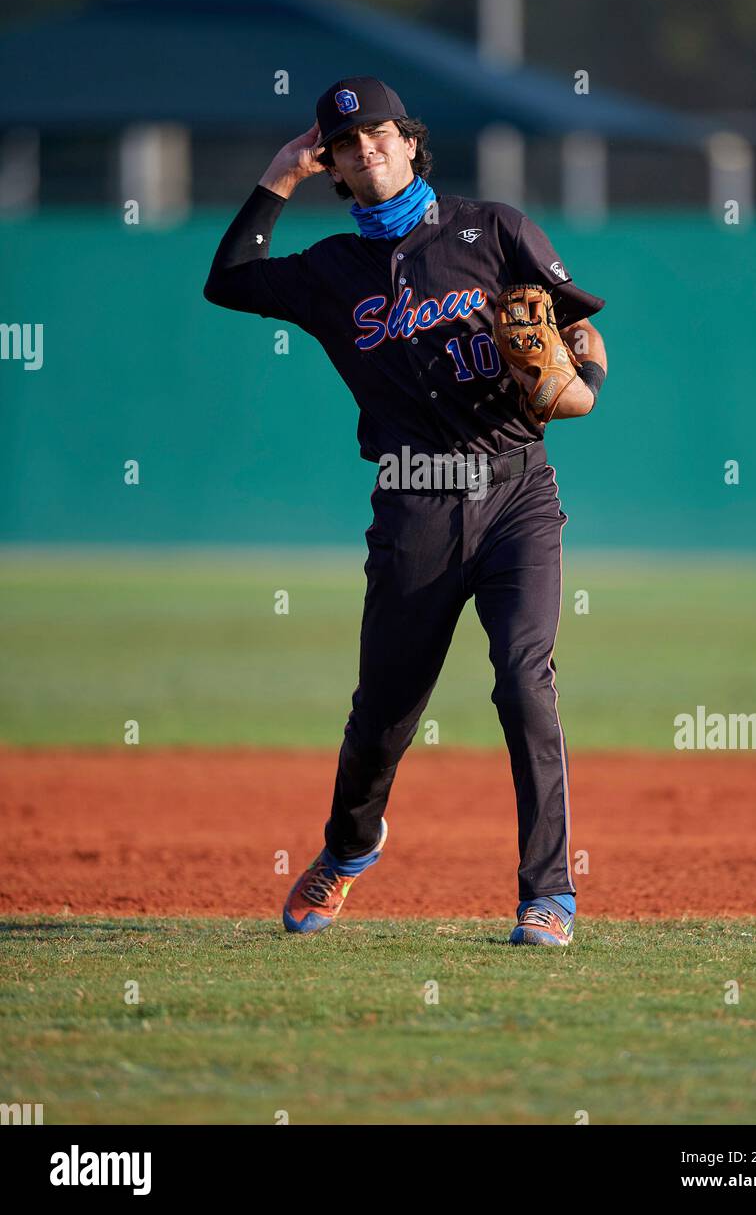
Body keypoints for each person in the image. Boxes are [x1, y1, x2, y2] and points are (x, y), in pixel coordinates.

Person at [204, 76, 608, 946]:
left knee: (523, 682)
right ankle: (349, 849)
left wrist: (582, 386)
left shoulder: (493, 229)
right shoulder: (329, 273)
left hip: (516, 492)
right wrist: (278, 177)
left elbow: (579, 333)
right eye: (346, 146)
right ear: (335, 168)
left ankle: (548, 895)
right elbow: (228, 281)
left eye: (381, 134)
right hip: (414, 500)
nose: (367, 150)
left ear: (411, 142)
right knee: (384, 712)